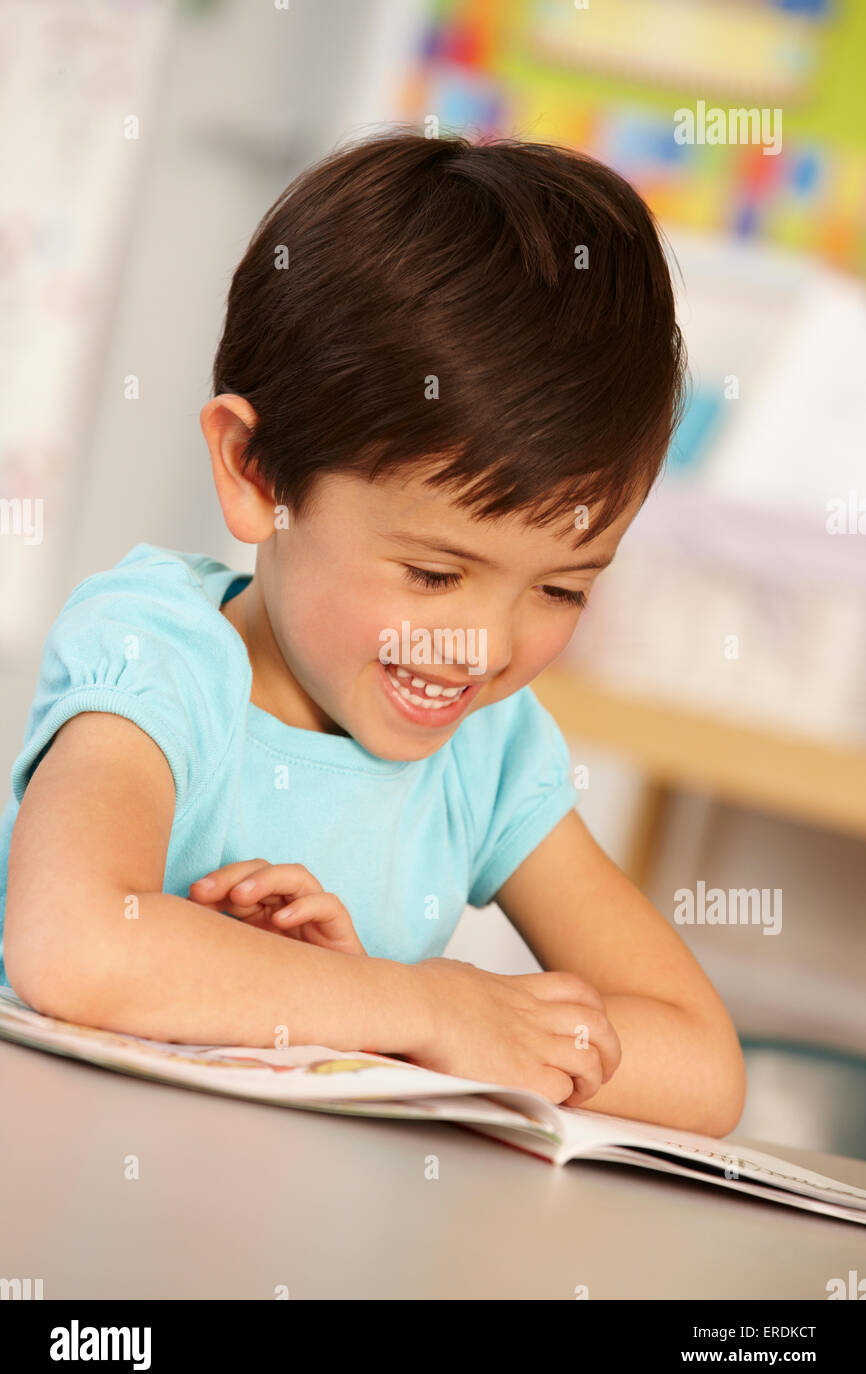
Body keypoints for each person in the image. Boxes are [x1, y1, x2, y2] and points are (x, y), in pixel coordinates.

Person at [0, 131, 746, 1135]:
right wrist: (424, 1007)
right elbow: (76, 943)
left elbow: (700, 1066)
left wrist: (395, 1021)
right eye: (434, 573)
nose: (482, 648)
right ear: (257, 474)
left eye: (562, 589)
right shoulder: (158, 658)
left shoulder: (486, 748)